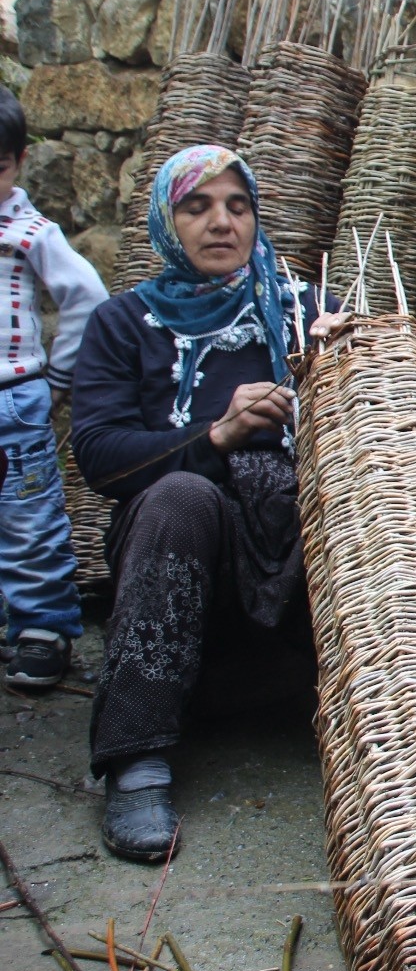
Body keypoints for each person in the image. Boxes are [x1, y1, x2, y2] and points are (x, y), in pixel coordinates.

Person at [70, 145, 346, 862]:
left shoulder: (305, 313)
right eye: (197, 206)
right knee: (183, 496)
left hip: (297, 567)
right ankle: (138, 758)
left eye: (237, 205)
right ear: (167, 222)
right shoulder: (122, 324)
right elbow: (100, 455)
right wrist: (215, 434)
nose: (221, 222)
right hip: (187, 562)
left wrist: (347, 365)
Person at [0, 86, 109, 689]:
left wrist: (58, 378)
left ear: (17, 162)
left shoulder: (28, 233)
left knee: (27, 513)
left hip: (12, 398)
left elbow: (87, 299)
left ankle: (41, 626)